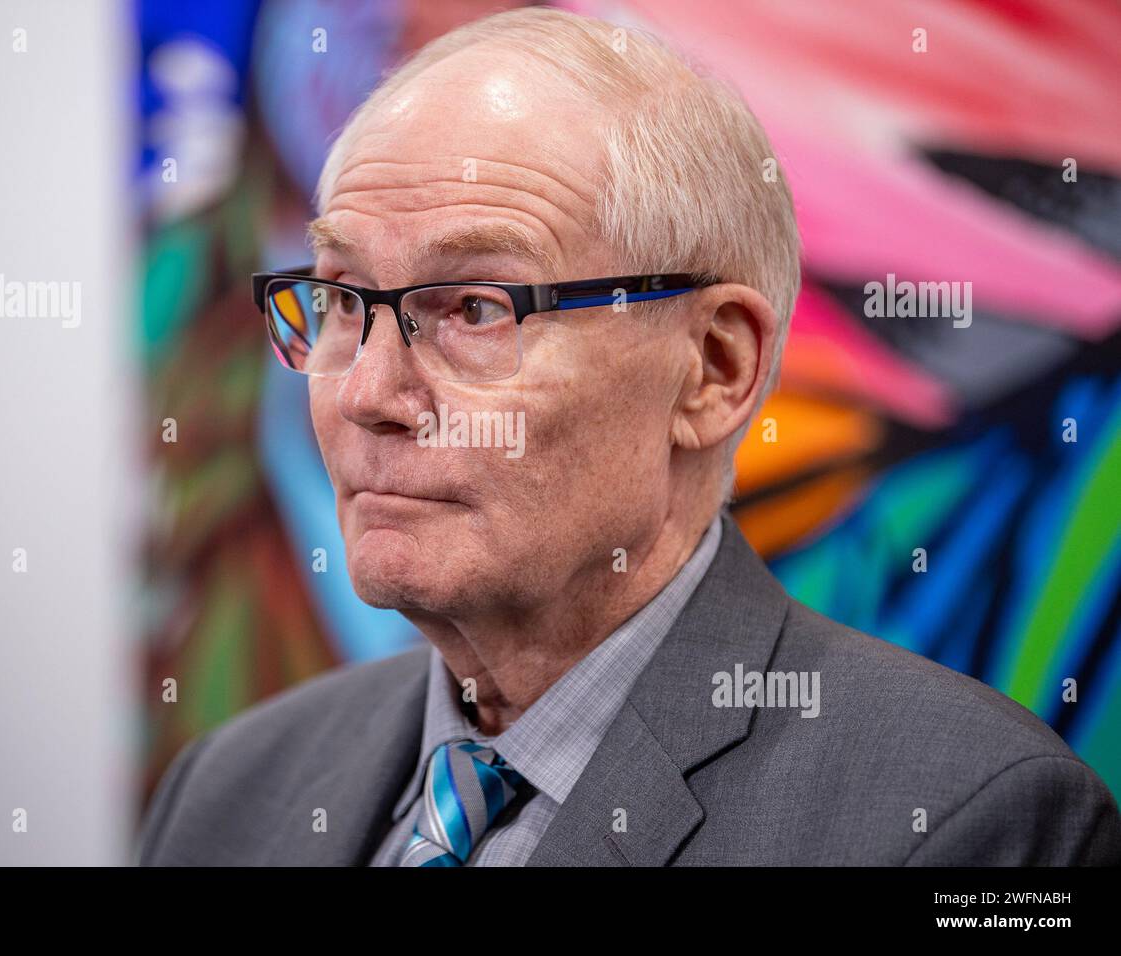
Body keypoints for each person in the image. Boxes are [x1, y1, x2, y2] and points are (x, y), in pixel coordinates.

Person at [138, 7, 1120, 866]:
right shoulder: (229, 788)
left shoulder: (967, 818)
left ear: (714, 367)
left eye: (477, 307)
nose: (369, 392)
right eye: (342, 300)